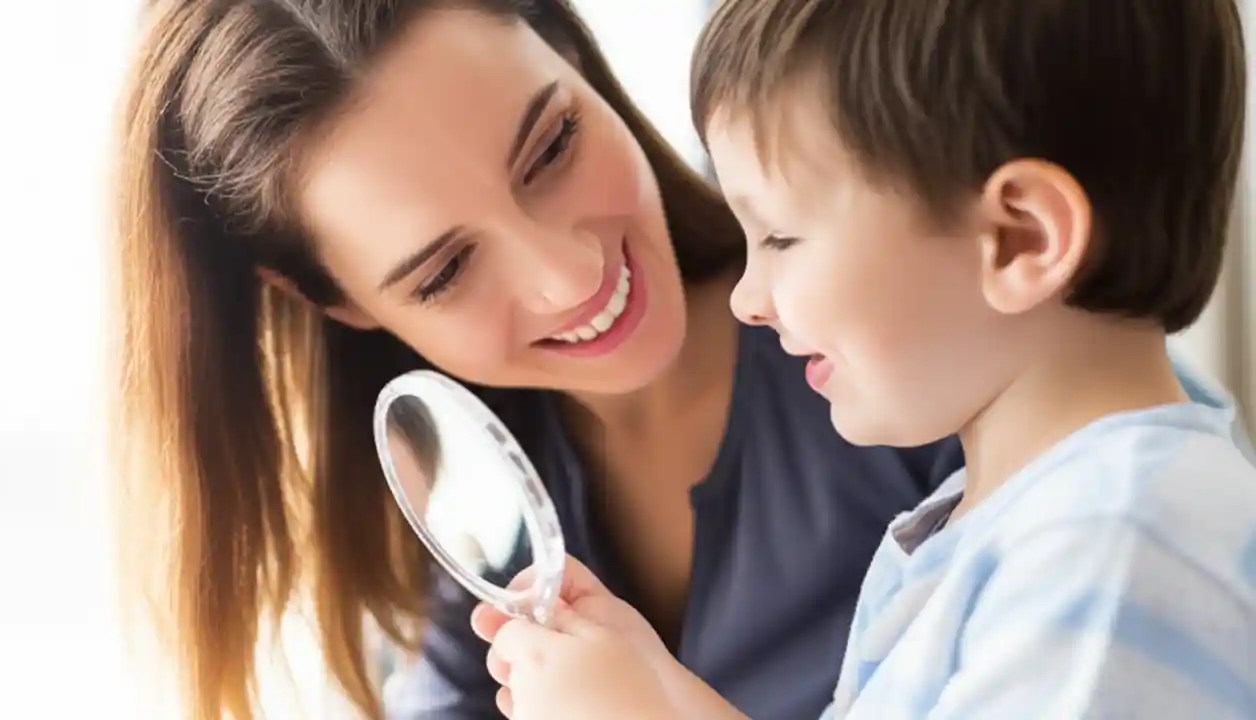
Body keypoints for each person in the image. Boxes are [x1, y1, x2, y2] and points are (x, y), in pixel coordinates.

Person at [111, 2, 968, 719]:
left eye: (553, 147)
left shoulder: (922, 353)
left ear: (567, 46)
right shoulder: (468, 537)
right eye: (446, 272)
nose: (570, 277)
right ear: (338, 304)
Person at [477, 0, 1256, 718]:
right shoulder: (1021, 527)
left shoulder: (1109, 545)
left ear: (1022, 240)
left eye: (781, 236)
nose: (748, 298)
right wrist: (661, 692)